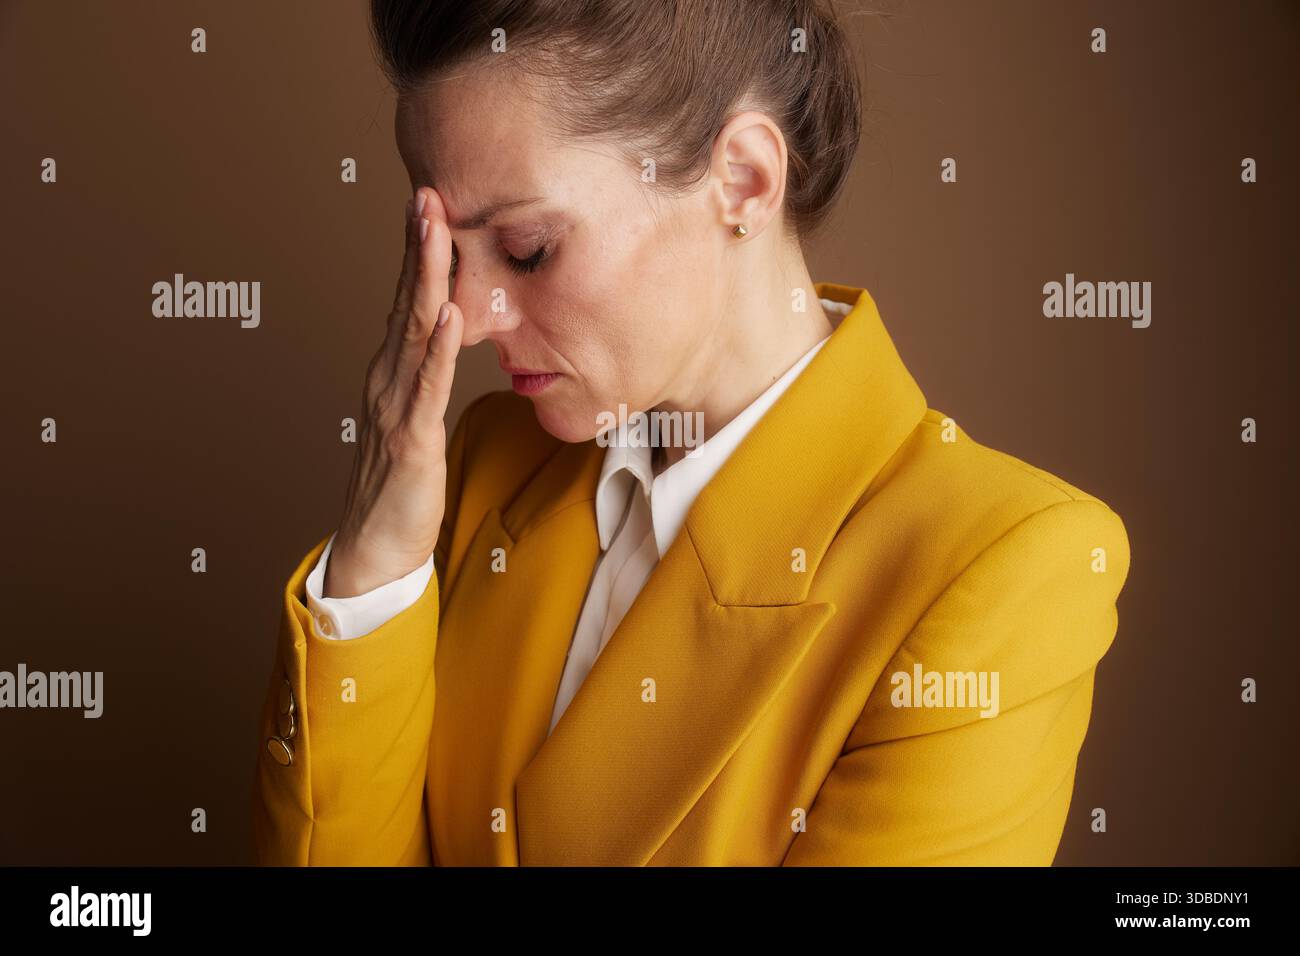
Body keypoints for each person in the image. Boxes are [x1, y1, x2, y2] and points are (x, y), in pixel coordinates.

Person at [252, 0, 1130, 866]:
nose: (466, 316)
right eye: (448, 248)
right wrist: (372, 571)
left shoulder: (1000, 569)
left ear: (743, 180)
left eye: (527, 249)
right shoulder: (477, 468)